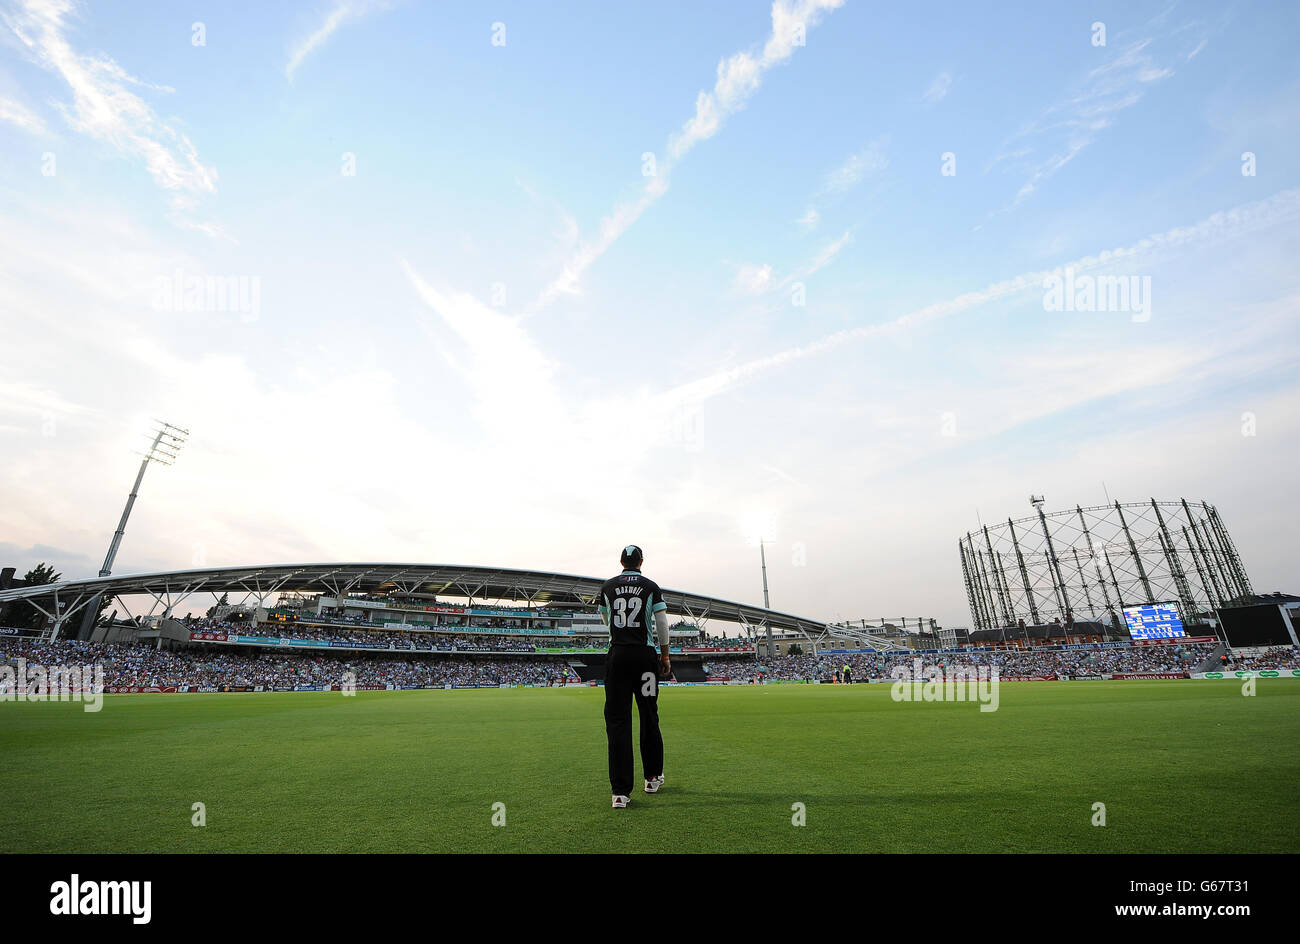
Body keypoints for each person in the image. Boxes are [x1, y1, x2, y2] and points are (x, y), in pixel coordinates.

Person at [597, 544, 670, 809]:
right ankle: (652, 778)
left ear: (621, 561)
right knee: (649, 714)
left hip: (617, 657)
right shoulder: (651, 586)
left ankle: (620, 792)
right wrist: (665, 656)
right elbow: (661, 622)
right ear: (641, 561)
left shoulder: (607, 587)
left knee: (618, 721)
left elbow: (606, 620)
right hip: (644, 658)